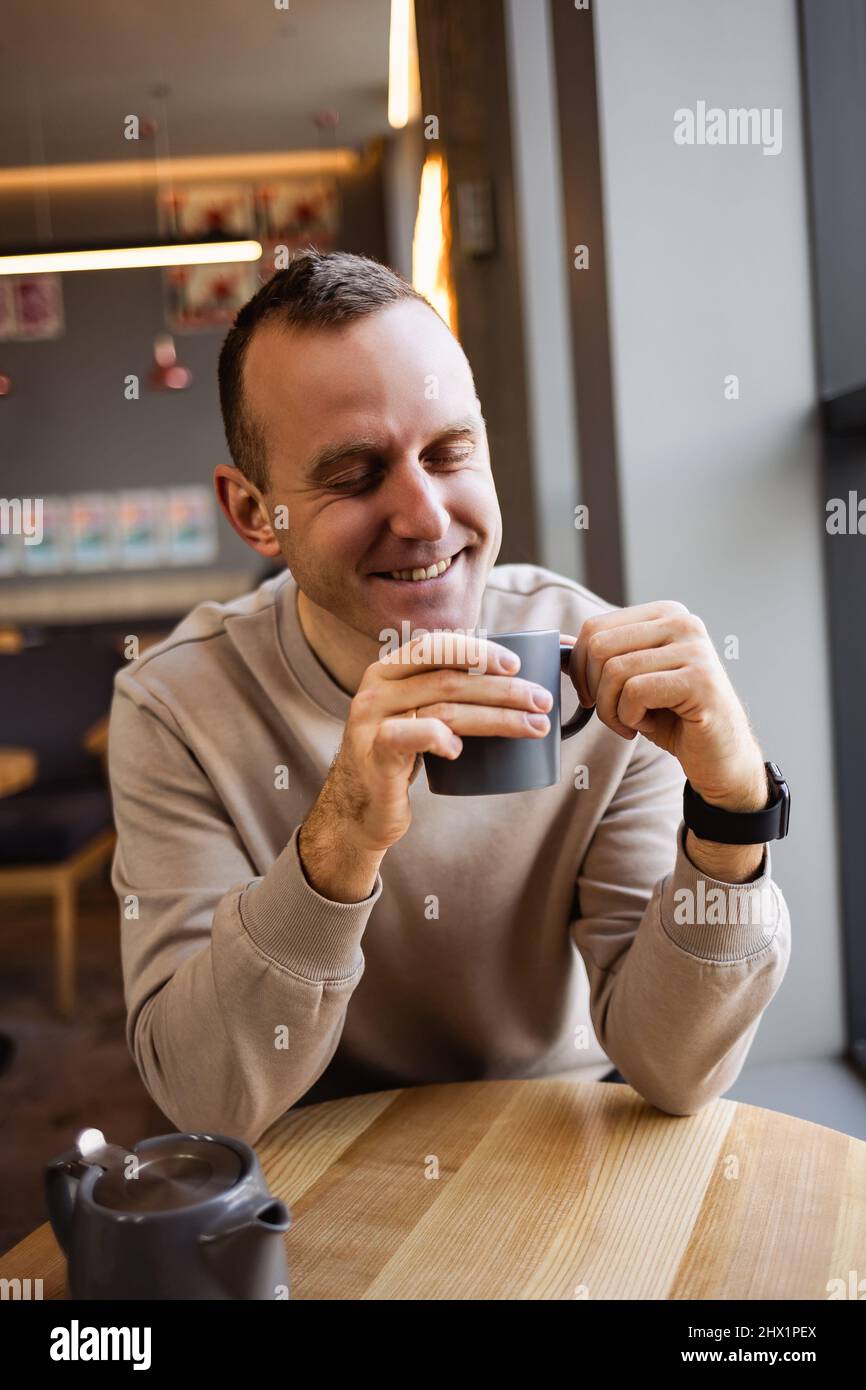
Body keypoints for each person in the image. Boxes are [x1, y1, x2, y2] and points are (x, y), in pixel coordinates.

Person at [108, 250, 791, 1144]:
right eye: (354, 475)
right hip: (311, 1165)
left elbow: (673, 1068)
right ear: (253, 513)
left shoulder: (602, 670)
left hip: (555, 1138)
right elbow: (205, 1100)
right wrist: (340, 837)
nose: (426, 518)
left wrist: (734, 814)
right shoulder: (176, 705)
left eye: (448, 452)